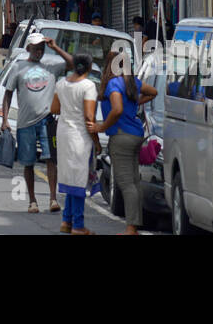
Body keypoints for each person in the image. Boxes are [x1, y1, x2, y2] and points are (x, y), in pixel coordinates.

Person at [1, 32, 73, 214]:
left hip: (47, 121)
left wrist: (55, 47)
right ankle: (32, 201)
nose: (39, 52)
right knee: (28, 162)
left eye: (41, 48)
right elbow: (8, 94)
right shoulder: (18, 67)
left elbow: (73, 63)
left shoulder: (51, 66)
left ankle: (53, 199)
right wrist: (4, 120)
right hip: (25, 123)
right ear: (28, 49)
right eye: (35, 48)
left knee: (51, 160)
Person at [91, 47, 157, 235]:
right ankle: (134, 226)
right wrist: (136, 102)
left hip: (120, 136)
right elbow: (153, 92)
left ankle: (130, 228)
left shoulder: (113, 84)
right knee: (134, 182)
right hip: (136, 134)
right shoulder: (132, 83)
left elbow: (117, 109)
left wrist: (101, 127)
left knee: (125, 183)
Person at [51, 52, 100, 235]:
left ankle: (66, 221)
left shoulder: (61, 83)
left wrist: (69, 107)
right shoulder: (88, 86)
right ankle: (78, 226)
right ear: (89, 68)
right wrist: (96, 140)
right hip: (80, 136)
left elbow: (54, 108)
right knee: (79, 179)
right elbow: (89, 117)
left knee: (71, 178)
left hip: (64, 132)